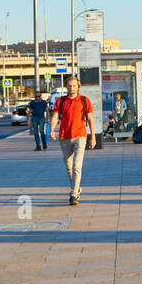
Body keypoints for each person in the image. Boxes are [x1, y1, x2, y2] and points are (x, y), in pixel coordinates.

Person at [48, 76, 96, 206]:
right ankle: (76, 187)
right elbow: (55, 116)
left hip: (80, 136)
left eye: (74, 86)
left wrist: (93, 136)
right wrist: (51, 130)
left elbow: (90, 119)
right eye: (69, 86)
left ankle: (74, 194)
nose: (71, 88)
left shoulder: (85, 100)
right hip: (65, 136)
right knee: (69, 167)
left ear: (78, 86)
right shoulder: (61, 101)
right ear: (66, 86)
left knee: (76, 166)